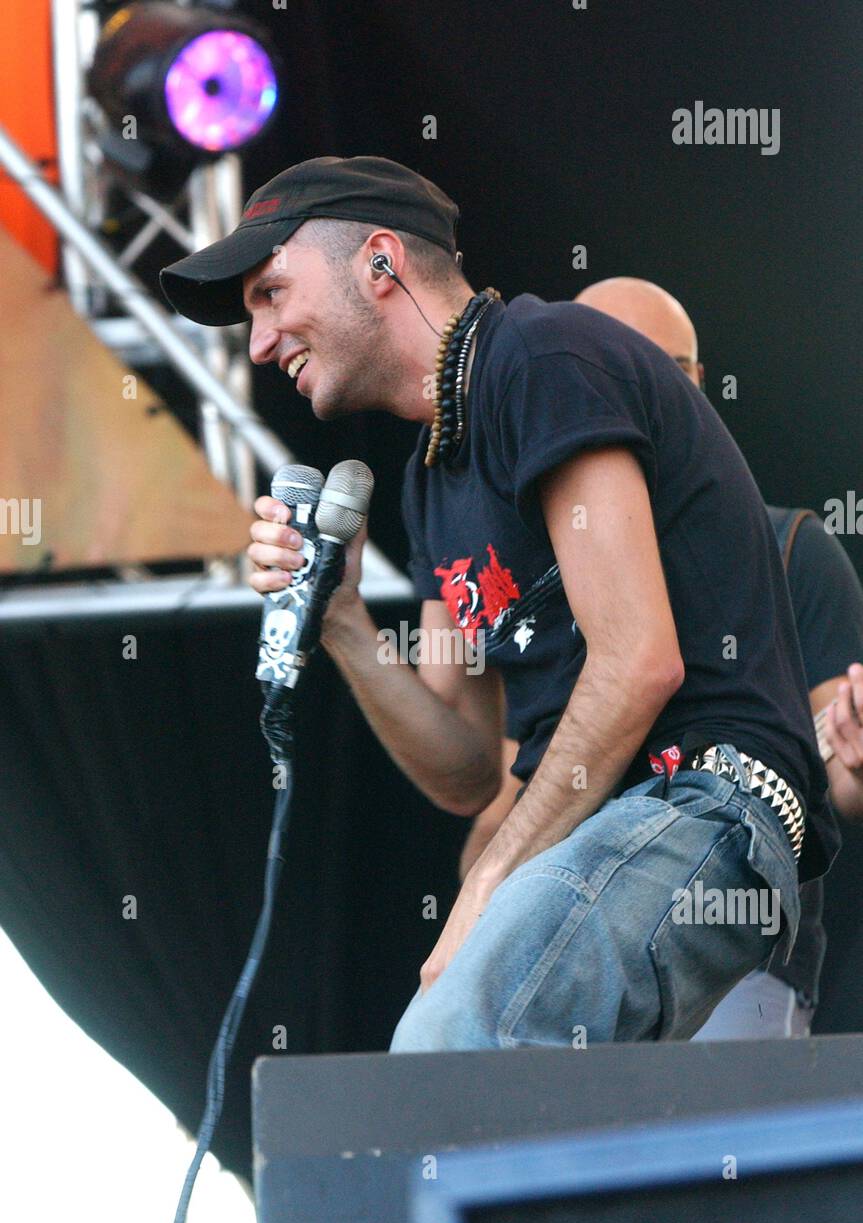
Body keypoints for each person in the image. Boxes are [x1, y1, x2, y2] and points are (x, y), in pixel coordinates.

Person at [160, 156, 841, 1051]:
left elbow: (638, 661)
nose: (258, 341)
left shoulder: (543, 357)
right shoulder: (430, 485)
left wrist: (486, 888)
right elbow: (469, 767)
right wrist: (343, 625)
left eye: (272, 294)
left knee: (452, 1047)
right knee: (474, 1091)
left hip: (702, 799)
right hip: (595, 833)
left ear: (379, 261)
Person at [460, 277, 863, 1040]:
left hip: (731, 964)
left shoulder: (789, 547)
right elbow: (507, 793)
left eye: (662, 369)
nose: (629, 389)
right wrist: (485, 896)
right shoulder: (547, 577)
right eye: (600, 368)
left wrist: (853, 754)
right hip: (560, 950)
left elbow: (831, 773)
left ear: (697, 391)